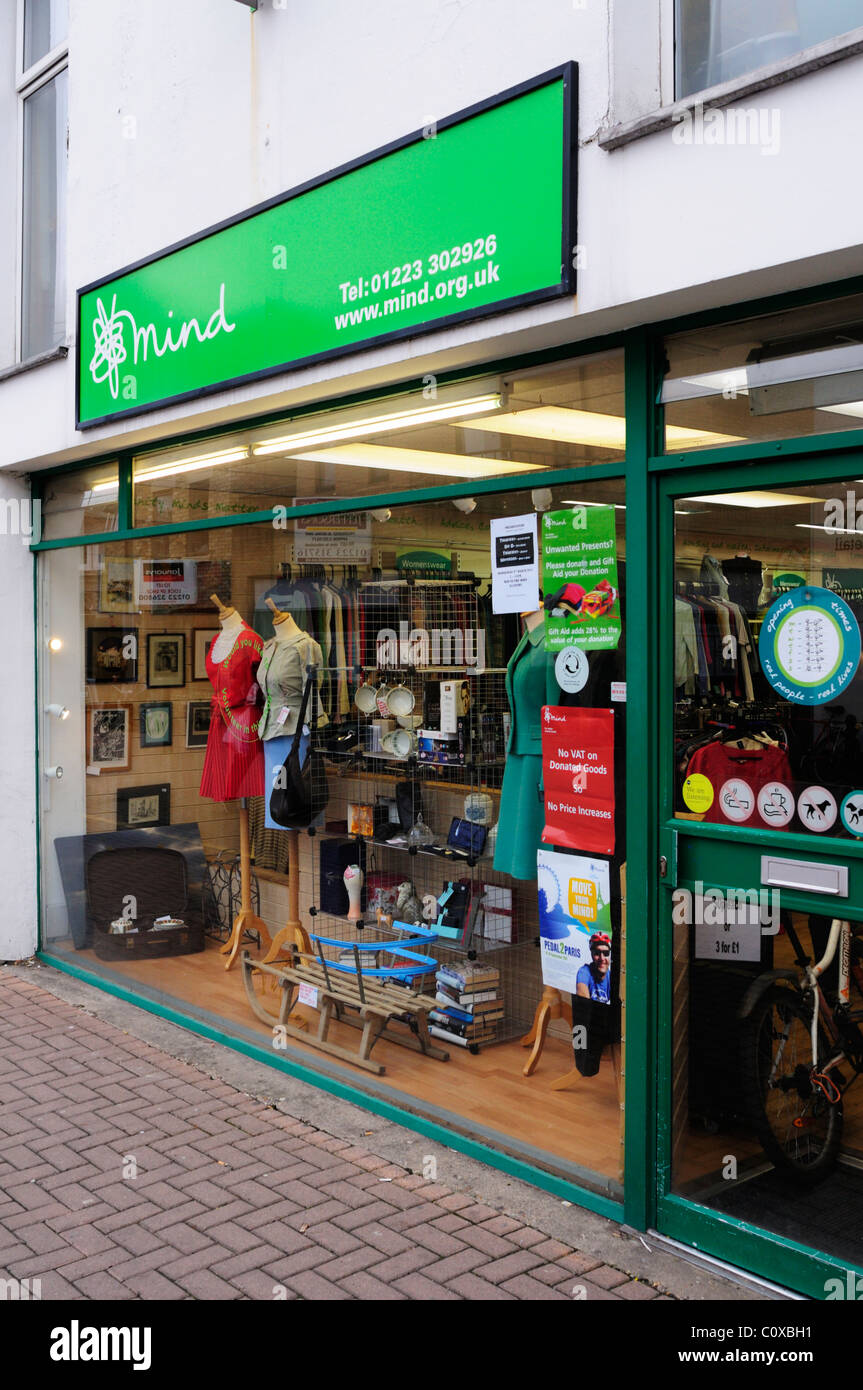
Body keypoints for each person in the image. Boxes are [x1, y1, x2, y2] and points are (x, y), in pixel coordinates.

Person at [576, 931, 612, 1003]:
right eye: (597, 953)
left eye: (606, 953)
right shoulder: (584, 972)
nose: (602, 958)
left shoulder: (611, 977)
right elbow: (582, 998)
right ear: (591, 955)